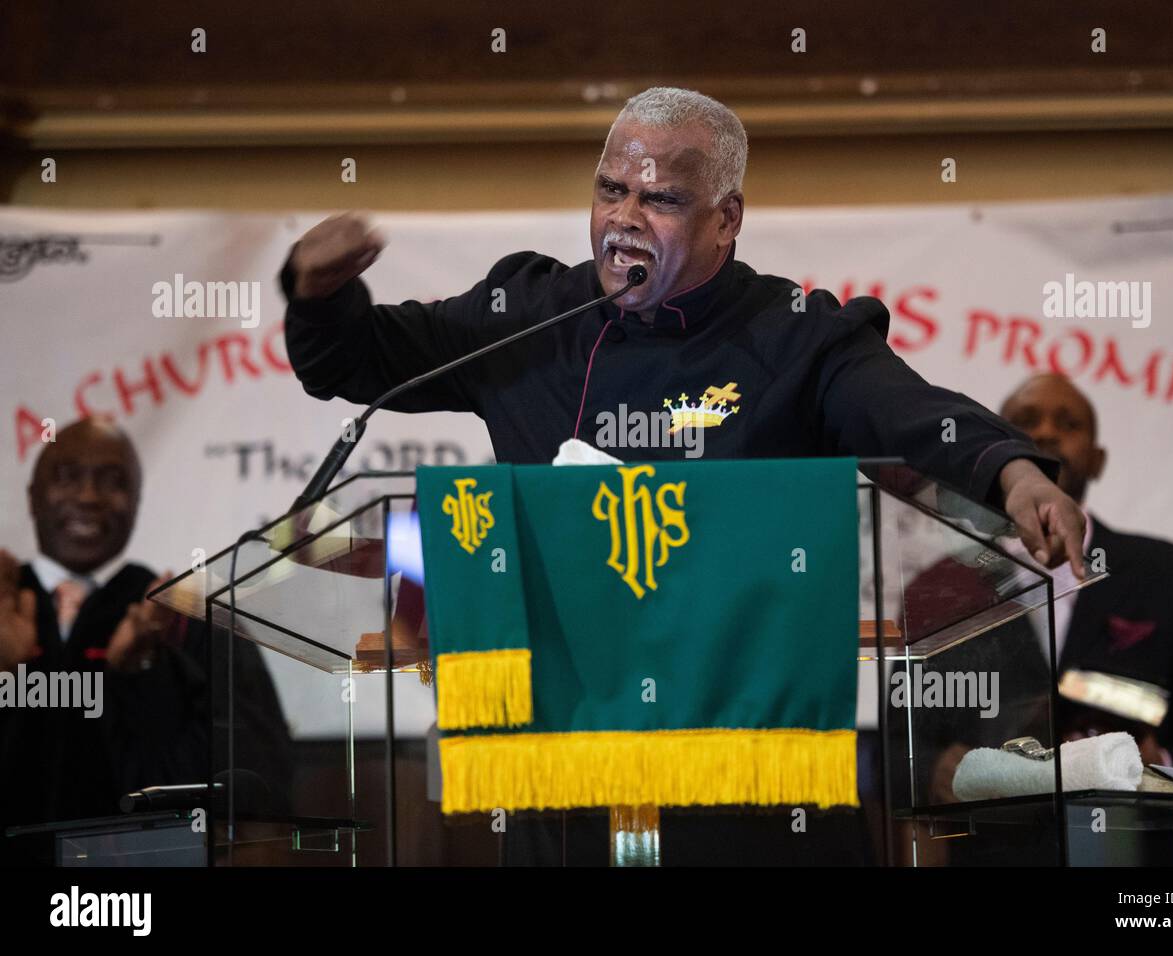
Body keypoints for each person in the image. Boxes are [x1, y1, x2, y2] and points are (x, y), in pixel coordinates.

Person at [280, 86, 1087, 864]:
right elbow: (357, 359)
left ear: (725, 219)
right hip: (566, 775)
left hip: (747, 783)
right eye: (609, 189)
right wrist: (316, 295)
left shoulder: (792, 336)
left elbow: (909, 411)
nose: (624, 218)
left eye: (659, 199)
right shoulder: (529, 318)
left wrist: (1014, 474)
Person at [0, 417, 292, 865]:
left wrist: (146, 678)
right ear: (32, 497)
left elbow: (256, 781)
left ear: (136, 502)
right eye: (66, 477)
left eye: (112, 482)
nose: (87, 497)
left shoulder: (189, 621)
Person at [999, 372, 1173, 790]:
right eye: (1026, 420)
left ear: (1098, 460)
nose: (1044, 432)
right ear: (995, 454)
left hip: (1131, 843)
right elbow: (899, 752)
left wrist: (1159, 767)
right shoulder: (943, 586)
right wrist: (939, 769)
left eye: (1068, 424)